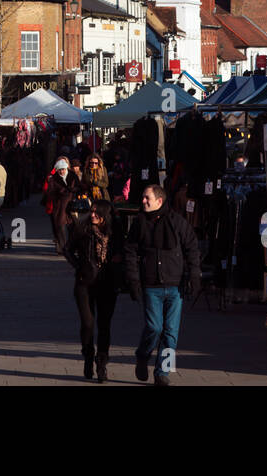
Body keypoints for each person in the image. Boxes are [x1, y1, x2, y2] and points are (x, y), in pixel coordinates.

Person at [123, 184, 200, 387]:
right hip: (151, 285)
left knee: (171, 332)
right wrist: (133, 280)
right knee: (154, 327)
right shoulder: (140, 223)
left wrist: (194, 276)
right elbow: (129, 252)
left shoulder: (177, 222)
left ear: (159, 201)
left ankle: (162, 372)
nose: (143, 201)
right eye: (142, 197)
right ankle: (143, 354)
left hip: (175, 286)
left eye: (147, 198)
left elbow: (191, 247)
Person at [63, 199, 124, 382]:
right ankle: (88, 355)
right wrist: (79, 266)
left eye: (97, 212)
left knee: (104, 325)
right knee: (88, 324)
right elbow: (67, 249)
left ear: (106, 214)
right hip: (85, 284)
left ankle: (102, 363)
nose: (93, 215)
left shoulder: (115, 233)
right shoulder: (82, 229)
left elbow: (124, 252)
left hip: (107, 284)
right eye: (91, 211)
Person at [42, 158, 76, 254]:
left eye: (63, 169)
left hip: (70, 206)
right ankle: (62, 247)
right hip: (58, 207)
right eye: (60, 169)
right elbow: (48, 192)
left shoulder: (72, 177)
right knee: (60, 227)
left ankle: (69, 246)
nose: (62, 171)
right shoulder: (52, 179)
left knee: (70, 227)